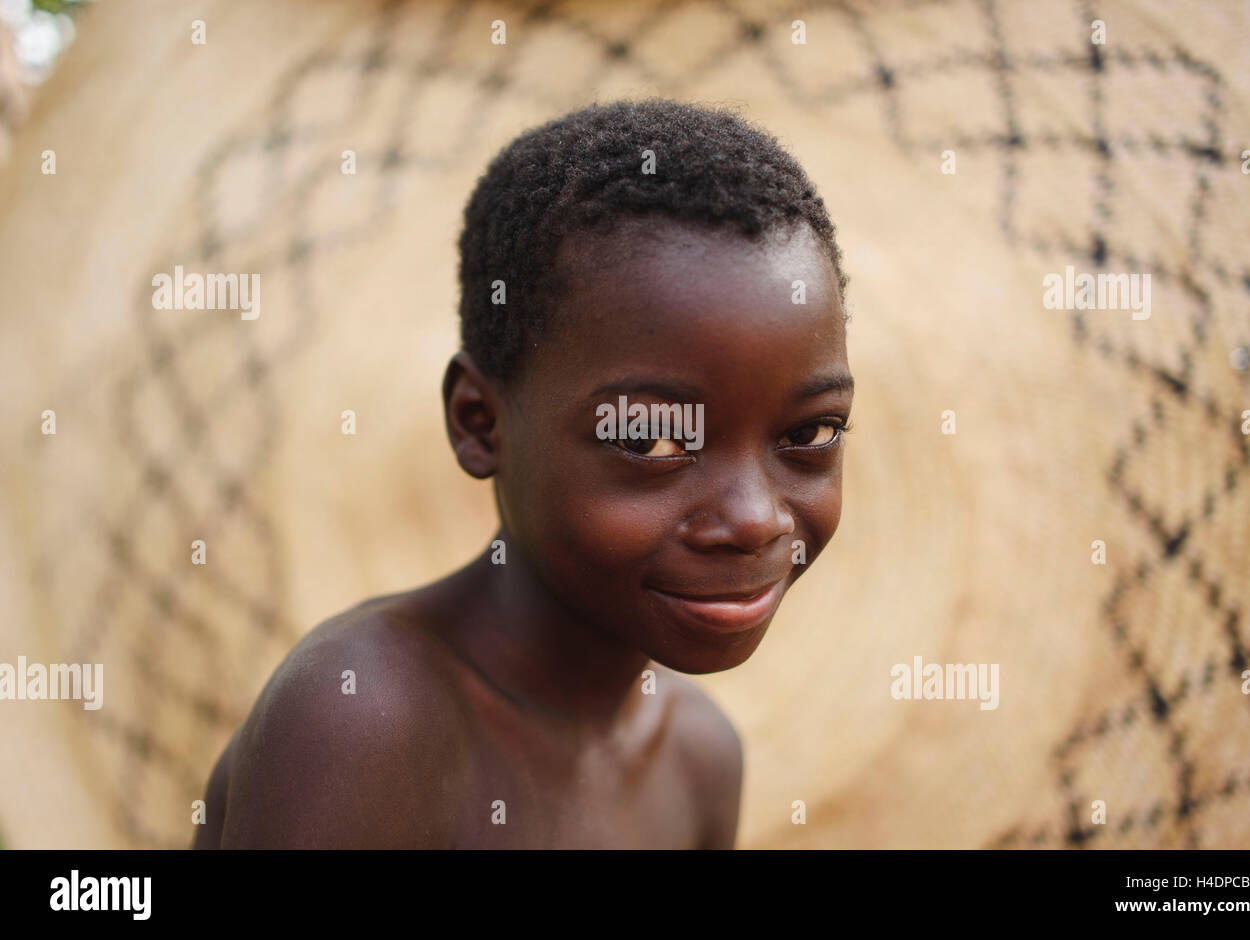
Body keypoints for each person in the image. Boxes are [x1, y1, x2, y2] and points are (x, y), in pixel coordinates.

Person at [194, 97, 854, 848]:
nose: (756, 518)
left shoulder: (702, 757)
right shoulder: (365, 716)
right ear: (481, 422)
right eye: (653, 442)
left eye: (810, 433)